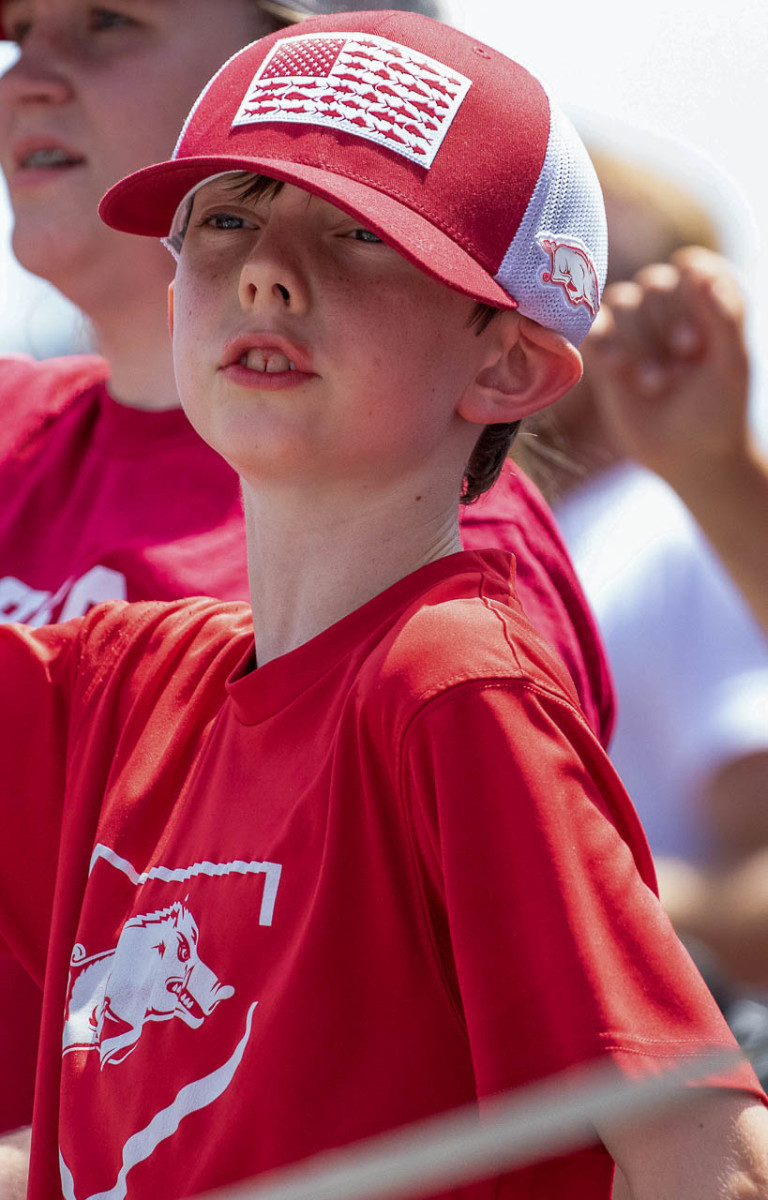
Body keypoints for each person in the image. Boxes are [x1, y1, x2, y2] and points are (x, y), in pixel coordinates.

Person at [3, 13, 768, 1199]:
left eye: (361, 233)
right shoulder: (126, 681)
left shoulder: (453, 687)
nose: (267, 268)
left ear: (508, 362)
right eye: (228, 218)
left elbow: (711, 1167)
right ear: (175, 303)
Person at [526, 155, 768, 881]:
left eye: (580, 268)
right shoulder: (541, 527)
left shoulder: (676, 531)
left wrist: (566, 906)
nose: (533, 297)